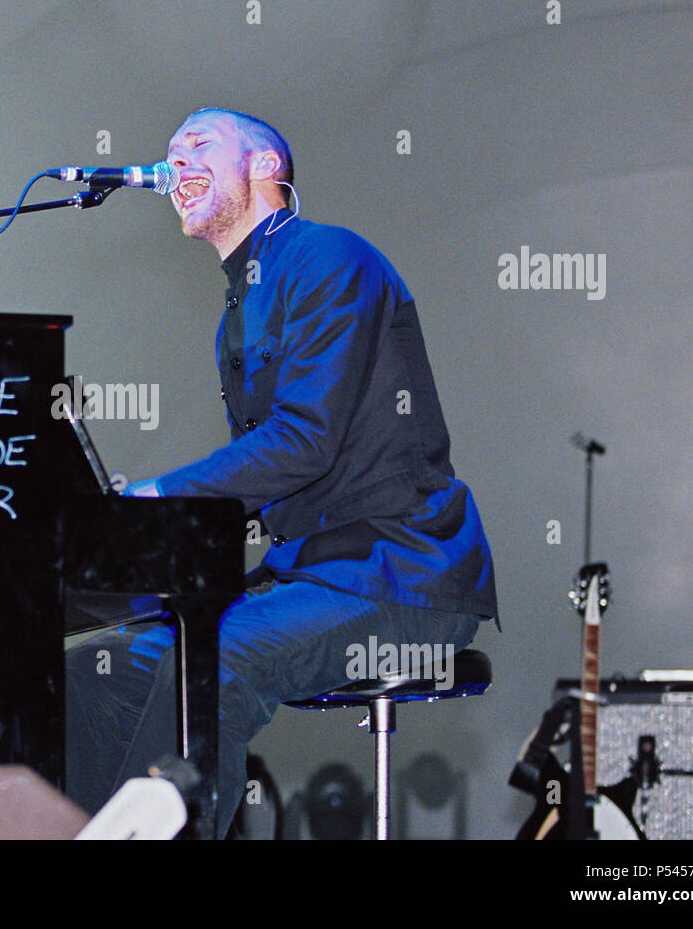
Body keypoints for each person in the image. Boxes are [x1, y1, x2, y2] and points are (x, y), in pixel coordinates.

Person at [64, 107, 498, 837]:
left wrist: (160, 494)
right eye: (168, 152)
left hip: (399, 574)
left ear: (266, 166)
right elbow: (269, 481)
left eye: (198, 144)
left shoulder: (330, 259)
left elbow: (304, 442)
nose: (174, 164)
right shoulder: (238, 308)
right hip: (309, 576)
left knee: (214, 665)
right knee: (95, 673)